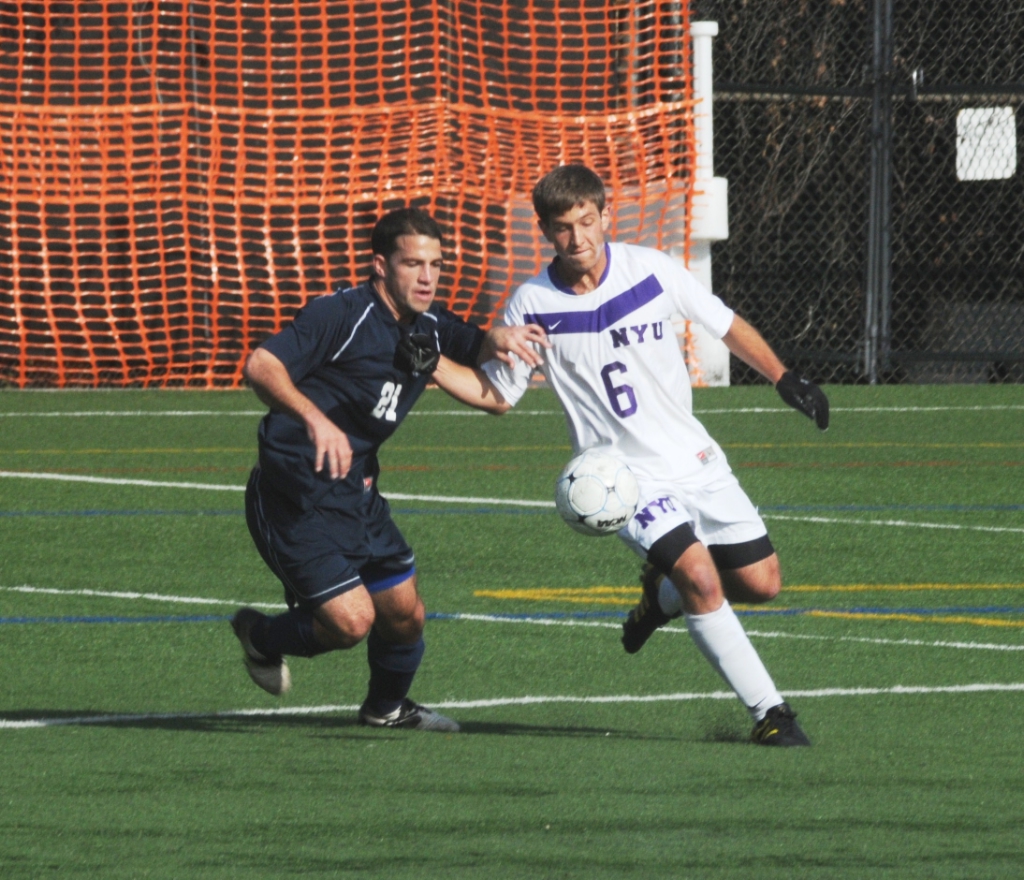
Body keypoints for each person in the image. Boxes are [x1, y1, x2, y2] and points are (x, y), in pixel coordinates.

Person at [476, 164, 830, 746]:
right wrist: (438, 359)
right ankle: (772, 714)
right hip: (624, 478)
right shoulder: (530, 303)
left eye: (588, 221)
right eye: (563, 228)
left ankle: (659, 597)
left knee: (762, 582)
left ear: (606, 214)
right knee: (699, 574)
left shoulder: (653, 270)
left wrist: (784, 377)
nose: (579, 238)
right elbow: (497, 396)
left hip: (694, 459)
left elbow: (724, 323)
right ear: (545, 231)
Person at [230, 206, 546, 732]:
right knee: (352, 622)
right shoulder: (342, 315)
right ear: (380, 265)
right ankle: (260, 637)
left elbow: (471, 348)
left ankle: (386, 709)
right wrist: (314, 419)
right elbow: (261, 365)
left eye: (436, 265)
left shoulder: (427, 324)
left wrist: (498, 339)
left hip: (357, 494)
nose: (427, 277)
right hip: (294, 497)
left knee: (405, 613)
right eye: (412, 264)